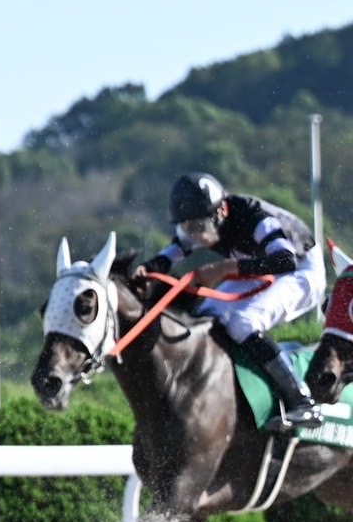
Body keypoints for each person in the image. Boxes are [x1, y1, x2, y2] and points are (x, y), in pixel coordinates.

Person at [134, 171, 325, 429]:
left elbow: (284, 261)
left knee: (243, 321)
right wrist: (145, 270)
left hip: (300, 269)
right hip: (260, 266)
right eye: (187, 227)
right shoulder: (205, 219)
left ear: (222, 210)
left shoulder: (253, 217)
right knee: (206, 316)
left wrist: (224, 268)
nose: (195, 235)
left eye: (199, 226)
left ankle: (301, 401)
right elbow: (169, 255)